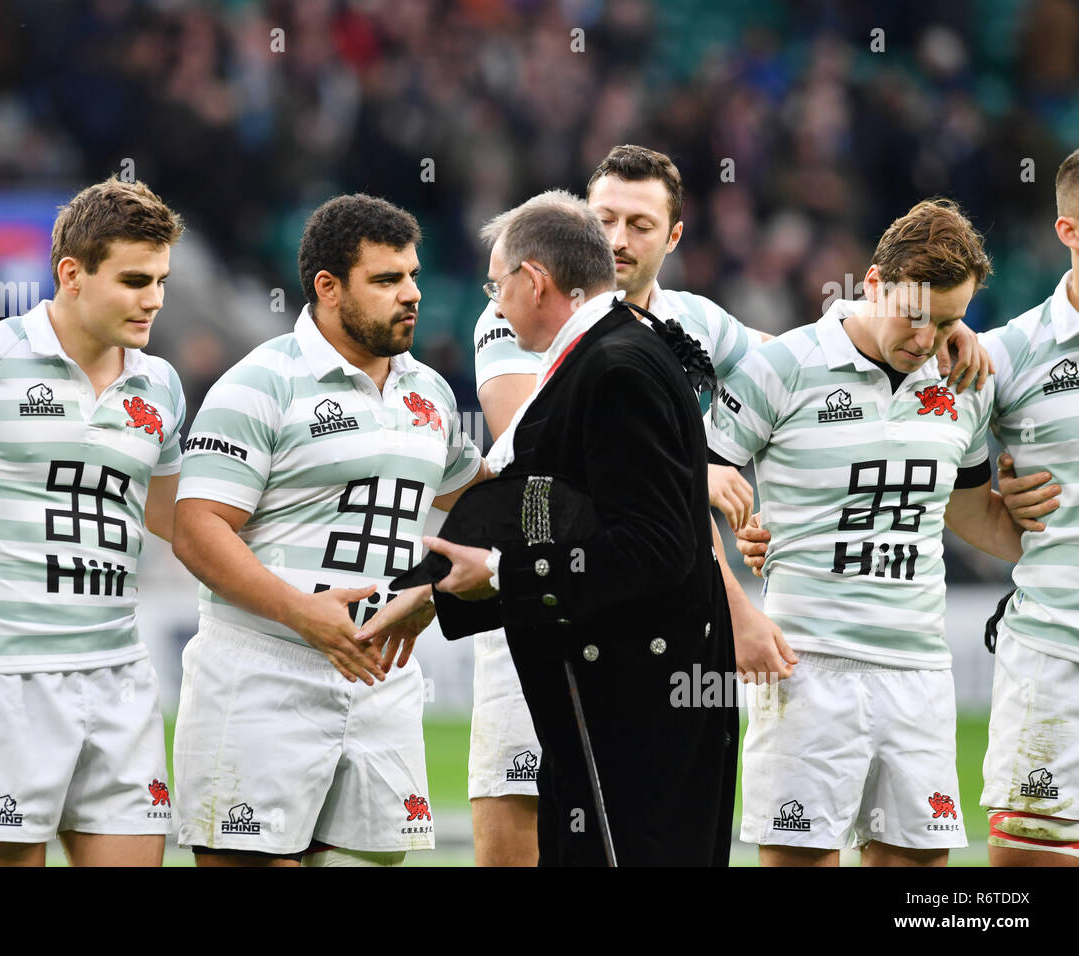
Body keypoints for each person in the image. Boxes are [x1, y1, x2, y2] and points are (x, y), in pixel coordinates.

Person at [465, 144, 993, 866]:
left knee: (647, 832)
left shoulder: (697, 325)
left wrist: (928, 321)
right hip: (550, 598)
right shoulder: (514, 315)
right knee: (521, 823)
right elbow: (529, 437)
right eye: (606, 217)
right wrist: (683, 466)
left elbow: (805, 358)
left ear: (673, 237)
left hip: (646, 617)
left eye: (641, 224)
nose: (618, 238)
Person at [365, 190, 738, 865]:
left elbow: (657, 550)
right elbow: (527, 510)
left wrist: (502, 574)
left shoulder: (616, 368)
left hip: (633, 715)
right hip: (617, 709)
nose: (496, 303)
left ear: (534, 281)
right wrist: (427, 592)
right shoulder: (609, 352)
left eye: (496, 285)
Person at [170, 194, 486, 867]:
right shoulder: (260, 384)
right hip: (261, 674)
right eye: (387, 280)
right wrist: (302, 615)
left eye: (413, 275)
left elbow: (480, 502)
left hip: (382, 680)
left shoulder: (428, 391)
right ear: (328, 288)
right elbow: (197, 528)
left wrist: (437, 588)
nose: (412, 295)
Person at [709, 199, 1023, 866]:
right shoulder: (783, 366)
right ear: (873, 285)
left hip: (919, 669)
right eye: (915, 319)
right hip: (806, 665)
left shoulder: (962, 382)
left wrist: (1055, 545)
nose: (926, 341)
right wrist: (735, 610)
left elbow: (969, 513)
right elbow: (685, 491)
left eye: (948, 322)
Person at [0, 177, 186, 867]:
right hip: (6, 682)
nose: (153, 299)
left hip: (122, 675)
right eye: (134, 280)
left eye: (160, 281)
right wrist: (4, 578)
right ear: (72, 274)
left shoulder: (161, 384)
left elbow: (172, 520)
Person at [974, 148, 1079, 865]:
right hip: (1053, 649)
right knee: (1028, 866)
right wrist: (993, 503)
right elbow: (921, 460)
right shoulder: (1006, 354)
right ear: (1069, 231)